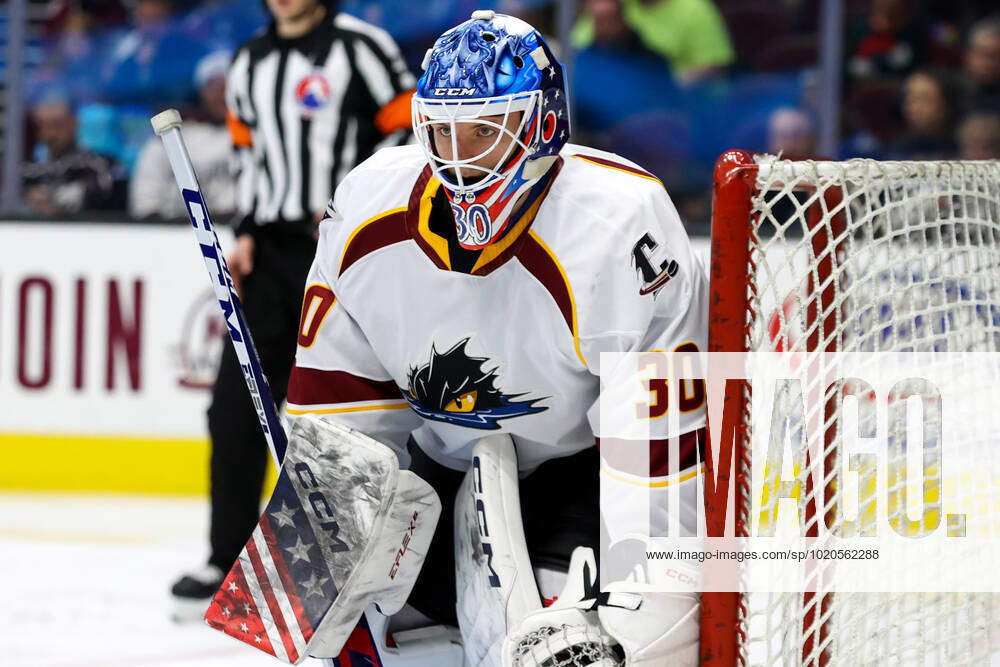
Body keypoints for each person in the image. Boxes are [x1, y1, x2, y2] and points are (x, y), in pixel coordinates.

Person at [286, 11, 706, 665]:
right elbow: (341, 412)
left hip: (579, 477)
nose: (460, 158)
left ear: (542, 125)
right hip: (432, 474)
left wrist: (641, 604)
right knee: (370, 635)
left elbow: (657, 472)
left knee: (566, 645)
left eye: (485, 129)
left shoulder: (619, 219)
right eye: (443, 132)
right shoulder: (368, 203)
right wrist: (328, 544)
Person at [169, 0, 415, 619]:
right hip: (272, 254)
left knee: (339, 410)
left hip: (340, 250)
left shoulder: (362, 47)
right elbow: (250, 155)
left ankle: (346, 562)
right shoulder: (250, 59)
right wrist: (247, 228)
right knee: (234, 406)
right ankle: (226, 554)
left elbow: (411, 132)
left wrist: (355, 206)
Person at [129, 50, 235, 220]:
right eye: (214, 85)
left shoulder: (259, 137)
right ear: (201, 91)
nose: (222, 93)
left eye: (229, 85)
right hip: (175, 235)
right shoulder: (169, 137)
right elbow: (146, 203)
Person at [23, 95, 125, 216]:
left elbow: (100, 190)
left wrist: (52, 199)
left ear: (73, 124)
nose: (51, 134)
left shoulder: (94, 164)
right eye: (43, 127)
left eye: (57, 125)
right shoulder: (28, 168)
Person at [889, 68, 960, 160]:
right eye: (910, 99)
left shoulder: (967, 145)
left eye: (924, 99)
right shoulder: (897, 148)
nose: (913, 108)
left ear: (947, 103)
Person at [962, 16, 1000, 113]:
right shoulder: (951, 92)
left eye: (994, 56)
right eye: (981, 53)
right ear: (968, 54)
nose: (988, 64)